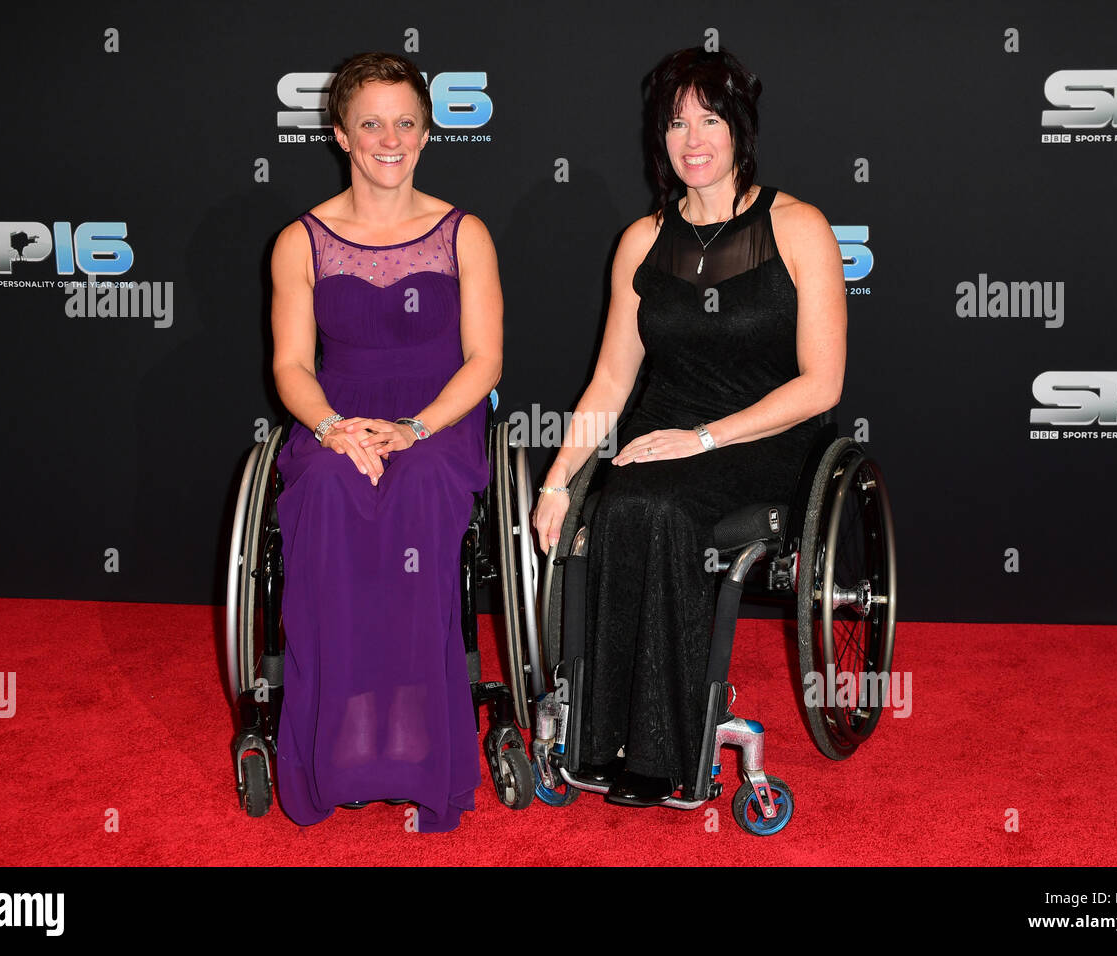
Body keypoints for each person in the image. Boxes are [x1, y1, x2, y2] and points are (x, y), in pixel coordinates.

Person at [531, 47, 846, 806]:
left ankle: (665, 750)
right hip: (660, 434)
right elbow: (610, 380)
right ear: (659, 139)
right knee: (625, 499)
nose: (692, 138)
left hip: (769, 439)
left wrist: (705, 438)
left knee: (660, 502)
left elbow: (822, 384)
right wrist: (556, 482)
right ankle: (605, 737)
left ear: (740, 129)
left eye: (710, 119)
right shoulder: (643, 242)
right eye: (676, 123)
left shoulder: (797, 227)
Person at [270, 52, 502, 832]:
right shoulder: (300, 240)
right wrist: (332, 427)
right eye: (370, 122)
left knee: (415, 490)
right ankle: (337, 749)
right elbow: (292, 366)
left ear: (428, 132)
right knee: (330, 489)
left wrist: (416, 427)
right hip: (336, 421)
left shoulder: (463, 233)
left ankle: (414, 746)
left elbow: (487, 362)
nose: (389, 137)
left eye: (405, 121)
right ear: (341, 134)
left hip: (438, 420)